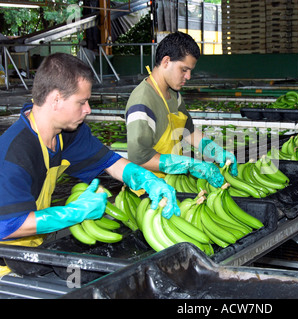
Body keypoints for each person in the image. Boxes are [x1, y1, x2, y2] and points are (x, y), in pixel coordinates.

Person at [0, 53, 179, 248]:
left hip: (33, 247)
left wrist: (147, 179)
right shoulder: (13, 154)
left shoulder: (67, 133)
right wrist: (74, 213)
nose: (88, 109)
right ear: (56, 100)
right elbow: (8, 225)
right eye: (81, 102)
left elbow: (110, 162)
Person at [125, 31, 237, 187]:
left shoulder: (174, 94)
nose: (189, 76)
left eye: (190, 70)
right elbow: (139, 158)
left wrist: (215, 151)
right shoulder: (142, 102)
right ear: (166, 62)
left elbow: (188, 131)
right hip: (150, 189)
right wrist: (189, 165)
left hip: (174, 181)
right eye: (184, 70)